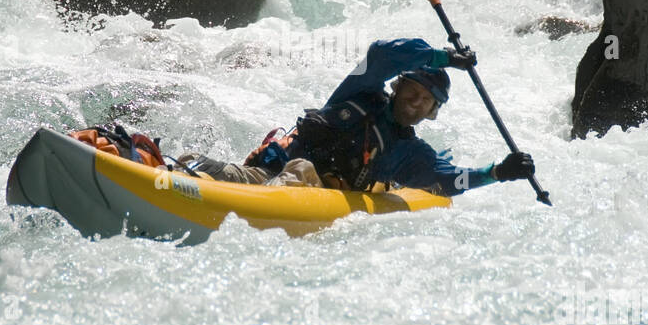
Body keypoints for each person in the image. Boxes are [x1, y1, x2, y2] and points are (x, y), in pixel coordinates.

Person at [176, 38, 536, 195]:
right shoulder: (358, 93)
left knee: (300, 171)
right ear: (397, 86)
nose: (414, 102)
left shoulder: (411, 154)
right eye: (411, 90)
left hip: (305, 190)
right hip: (267, 174)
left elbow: (447, 182)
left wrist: (497, 173)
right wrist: (440, 58)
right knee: (197, 164)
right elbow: (381, 53)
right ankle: (160, 167)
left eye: (425, 100)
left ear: (432, 113)